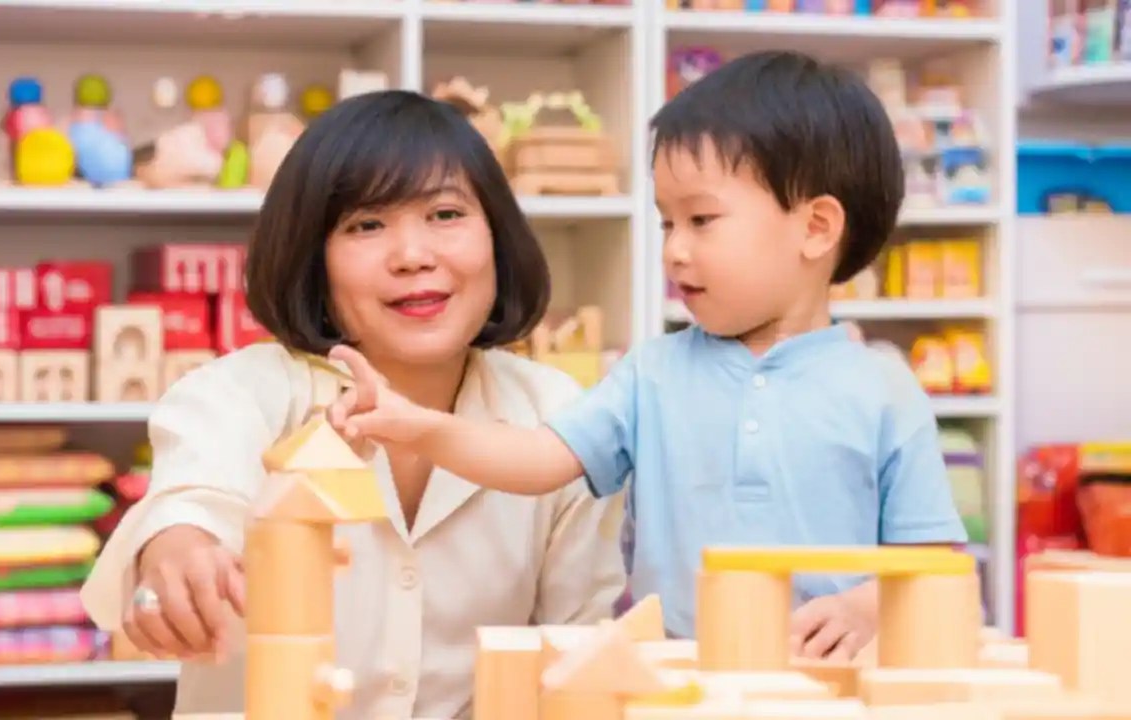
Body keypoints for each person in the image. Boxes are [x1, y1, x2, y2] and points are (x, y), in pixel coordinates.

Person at [326, 51, 969, 661]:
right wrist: (421, 426)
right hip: (677, 683)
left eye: (702, 220)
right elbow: (537, 459)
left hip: (832, 688)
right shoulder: (652, 372)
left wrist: (867, 606)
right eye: (667, 223)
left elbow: (937, 563)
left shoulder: (884, 386)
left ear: (816, 228)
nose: (674, 251)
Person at [79, 90, 624, 720]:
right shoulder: (238, 393)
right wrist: (176, 555)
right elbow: (193, 502)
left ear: (498, 238)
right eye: (366, 225)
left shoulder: (557, 414)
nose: (413, 256)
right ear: (315, 260)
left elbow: (582, 648)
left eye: (446, 214)